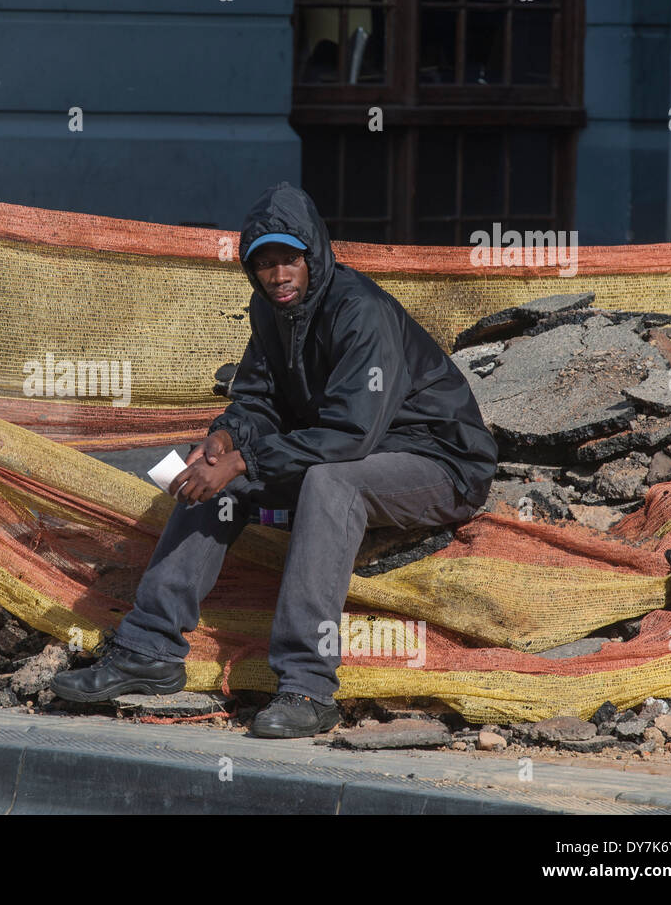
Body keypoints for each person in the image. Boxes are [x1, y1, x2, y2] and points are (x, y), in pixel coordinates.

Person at [49, 182, 499, 738]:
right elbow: (258, 399)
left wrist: (243, 461)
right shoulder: (271, 313)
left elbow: (350, 434)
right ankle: (150, 647)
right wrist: (222, 439)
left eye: (289, 259)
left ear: (314, 256)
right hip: (348, 451)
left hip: (435, 461)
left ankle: (308, 686)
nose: (278, 274)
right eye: (264, 263)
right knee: (214, 482)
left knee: (330, 486)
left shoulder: (362, 313)